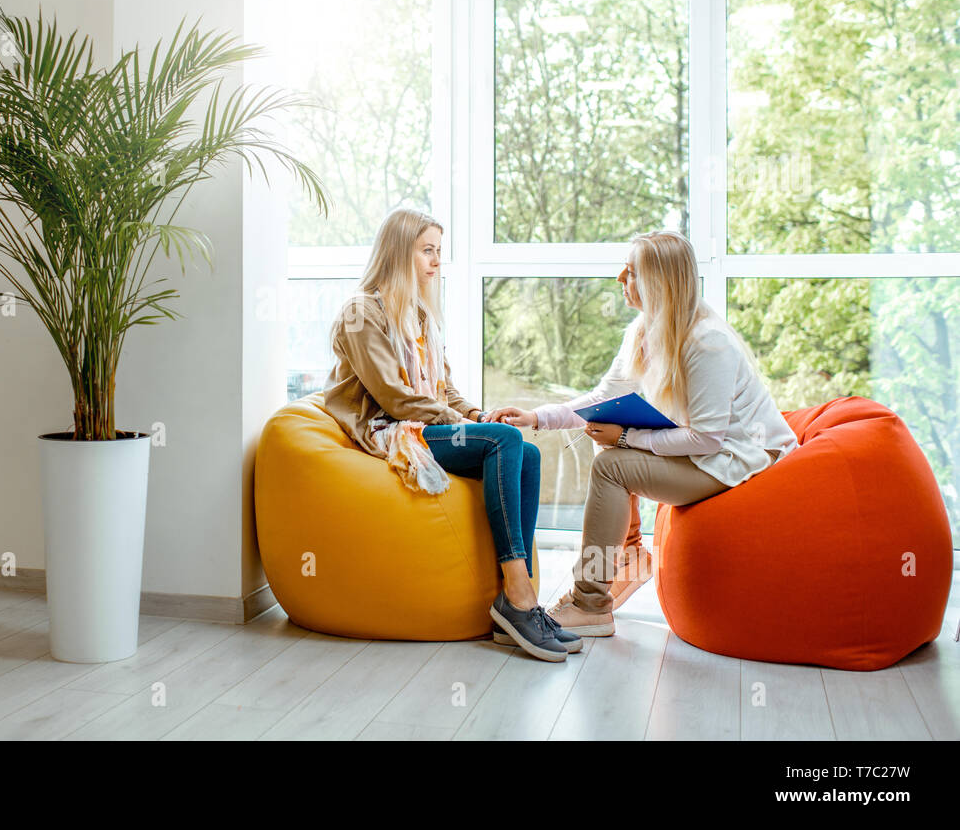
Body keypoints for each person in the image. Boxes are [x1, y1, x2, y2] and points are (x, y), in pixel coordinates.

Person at [488, 230, 799, 637]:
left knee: (612, 465)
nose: (620, 278)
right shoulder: (642, 331)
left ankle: (590, 604)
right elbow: (602, 397)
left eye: (631, 272)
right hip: (711, 454)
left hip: (740, 461)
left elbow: (707, 439)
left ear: (659, 282)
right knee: (609, 457)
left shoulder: (708, 343)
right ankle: (628, 558)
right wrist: (535, 417)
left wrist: (625, 438)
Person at [322, 207, 579, 662]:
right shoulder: (360, 313)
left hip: (422, 424)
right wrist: (467, 425)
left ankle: (518, 602)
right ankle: (519, 596)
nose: (437, 262)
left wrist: (479, 414)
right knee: (504, 442)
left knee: (526, 452)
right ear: (400, 252)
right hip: (391, 432)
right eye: (427, 251)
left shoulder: (420, 317)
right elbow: (395, 399)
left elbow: (446, 390)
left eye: (439, 251)